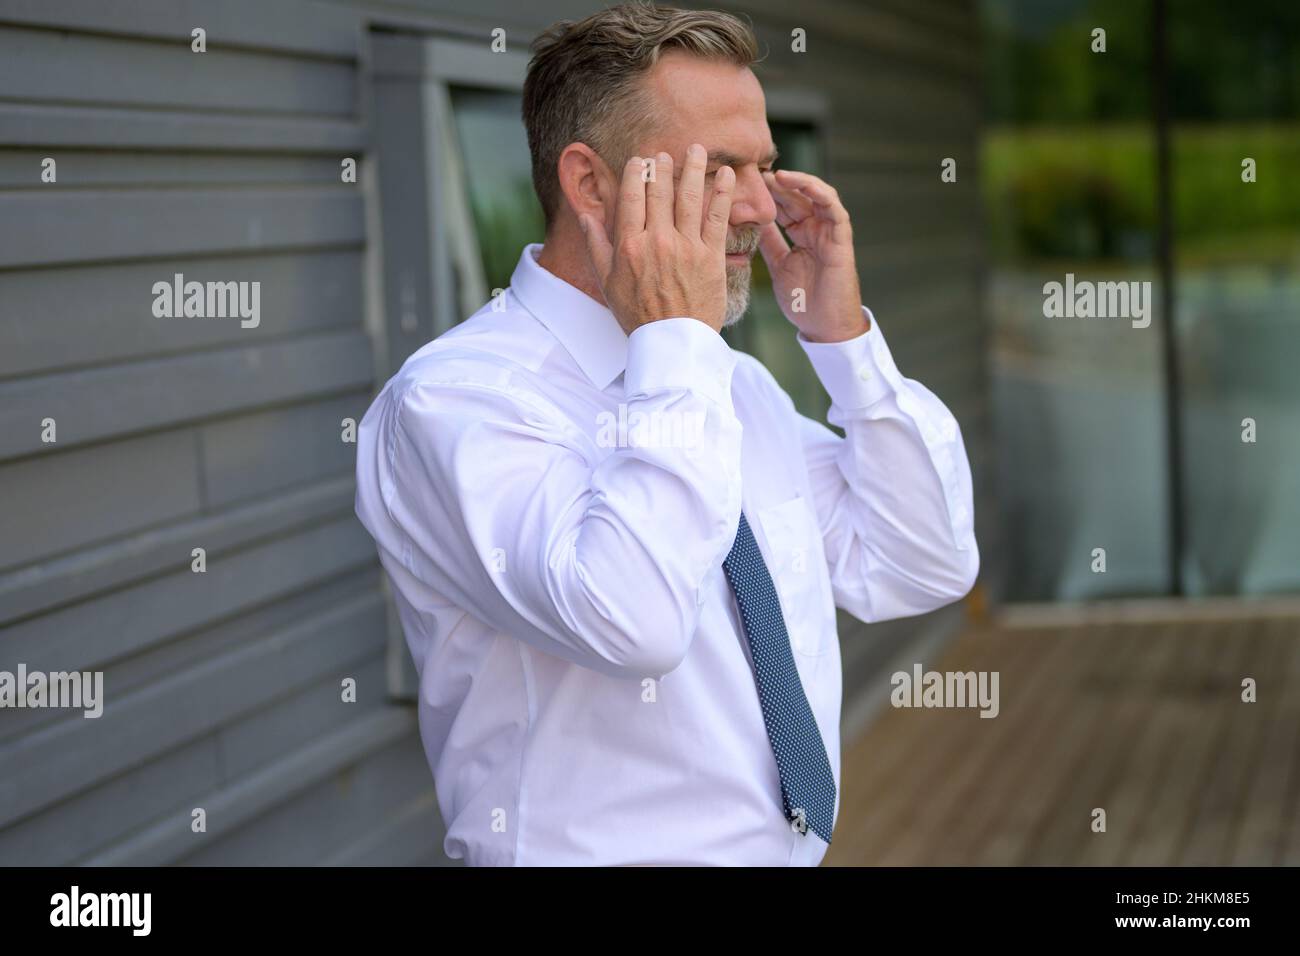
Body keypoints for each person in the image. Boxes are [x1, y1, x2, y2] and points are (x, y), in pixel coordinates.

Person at [354, 2, 978, 865]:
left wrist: (845, 344)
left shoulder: (733, 387)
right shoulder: (452, 404)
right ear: (590, 186)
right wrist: (676, 339)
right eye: (719, 170)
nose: (761, 207)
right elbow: (632, 621)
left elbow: (922, 562)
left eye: (766, 166)